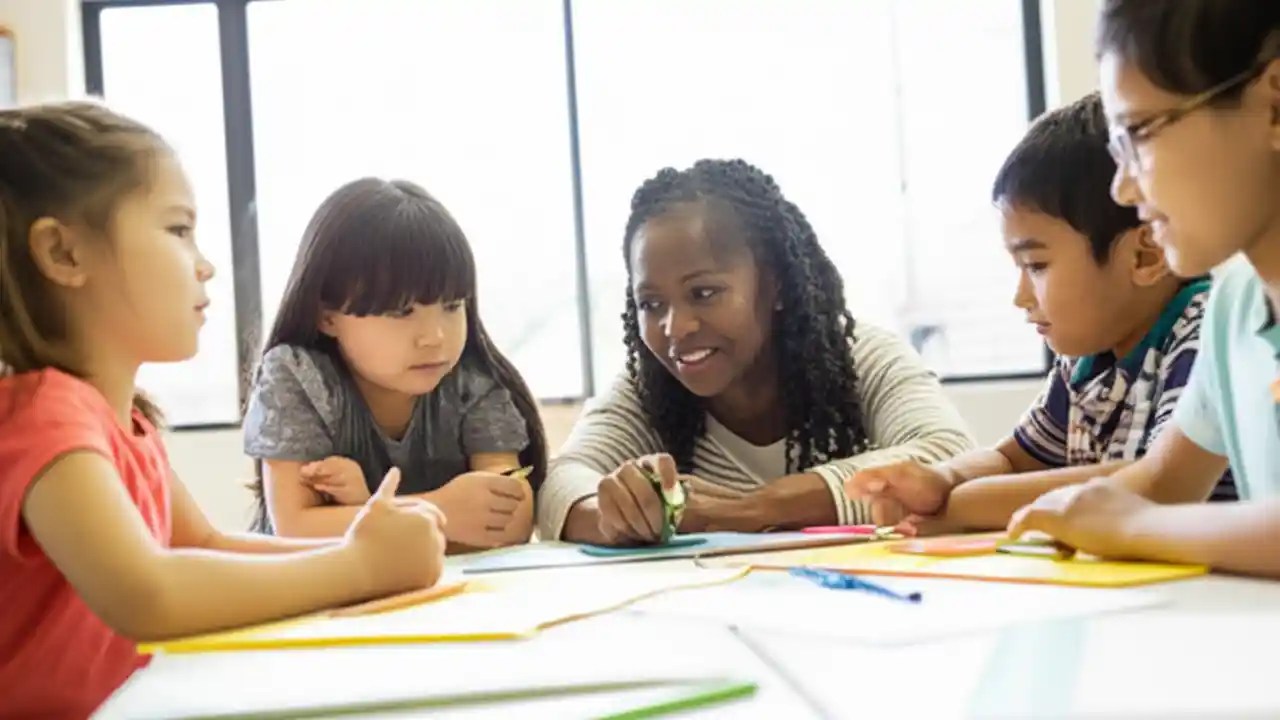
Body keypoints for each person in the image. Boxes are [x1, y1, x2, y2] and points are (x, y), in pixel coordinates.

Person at [0, 102, 446, 717]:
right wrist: (360, 566)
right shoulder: (45, 416)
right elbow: (149, 593)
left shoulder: (123, 424)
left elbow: (204, 544)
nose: (205, 264)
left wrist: (374, 559)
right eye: (179, 230)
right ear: (65, 254)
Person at [848, 92, 1234, 533]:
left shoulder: (1202, 332)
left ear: (1144, 257)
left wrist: (959, 505)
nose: (1021, 297)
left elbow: (1152, 484)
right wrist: (943, 479)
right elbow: (1012, 460)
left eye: (1036, 266)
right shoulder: (1085, 364)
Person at [538, 158, 974, 546]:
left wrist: (754, 509)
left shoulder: (860, 358)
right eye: (651, 304)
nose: (676, 327)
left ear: (776, 284)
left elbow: (950, 454)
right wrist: (613, 517)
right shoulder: (648, 391)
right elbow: (561, 481)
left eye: (703, 293)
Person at [1007, 0, 1280, 579]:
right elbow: (1162, 480)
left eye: (1140, 133)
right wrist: (1048, 519)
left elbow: (1143, 512)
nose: (1124, 186)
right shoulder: (1234, 306)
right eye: (1116, 147)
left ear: (1274, 103)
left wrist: (1131, 528)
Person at [244, 178, 546, 551]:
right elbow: (296, 527)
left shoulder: (472, 384)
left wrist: (360, 513)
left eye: (452, 306)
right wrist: (440, 510)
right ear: (327, 316)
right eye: (402, 311)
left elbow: (509, 519)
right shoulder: (298, 378)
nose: (434, 336)